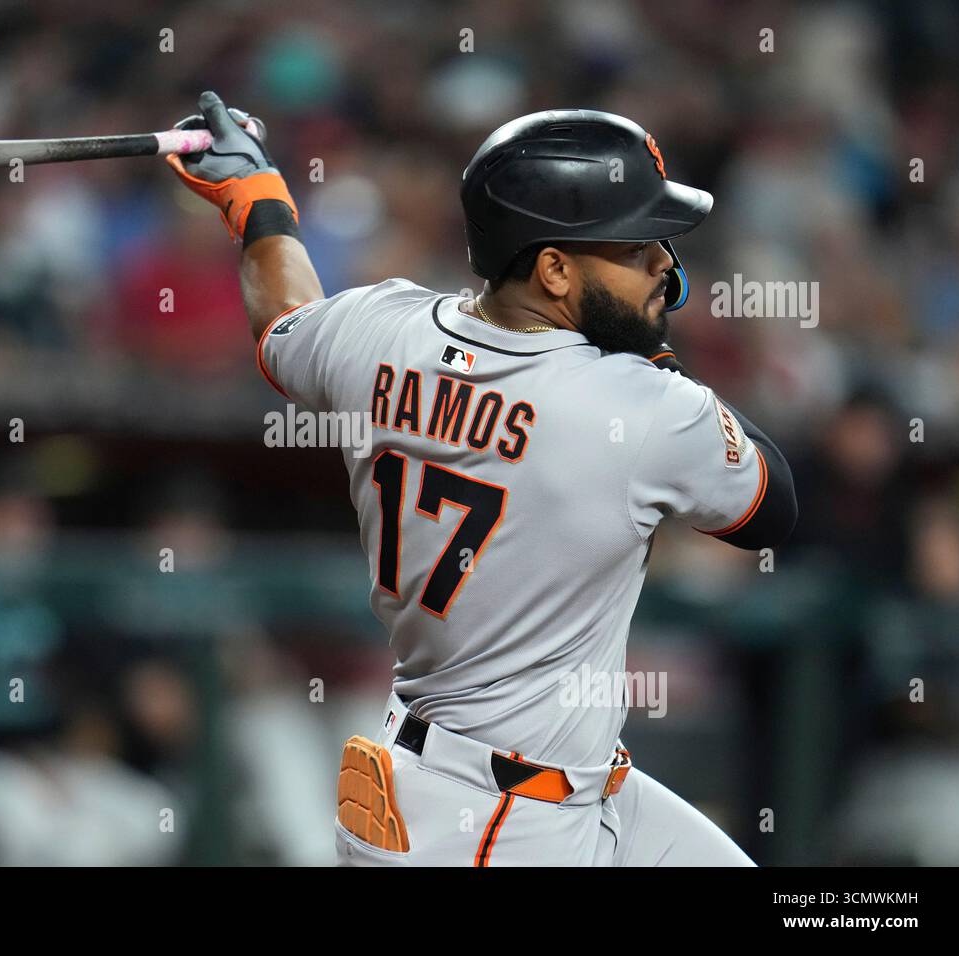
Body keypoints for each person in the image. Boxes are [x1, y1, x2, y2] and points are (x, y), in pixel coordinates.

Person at [167, 93, 796, 866]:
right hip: (492, 828)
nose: (665, 266)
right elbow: (769, 505)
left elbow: (283, 322)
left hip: (528, 780)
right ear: (556, 269)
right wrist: (649, 350)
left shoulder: (379, 328)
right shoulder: (642, 409)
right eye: (637, 248)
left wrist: (256, 200)